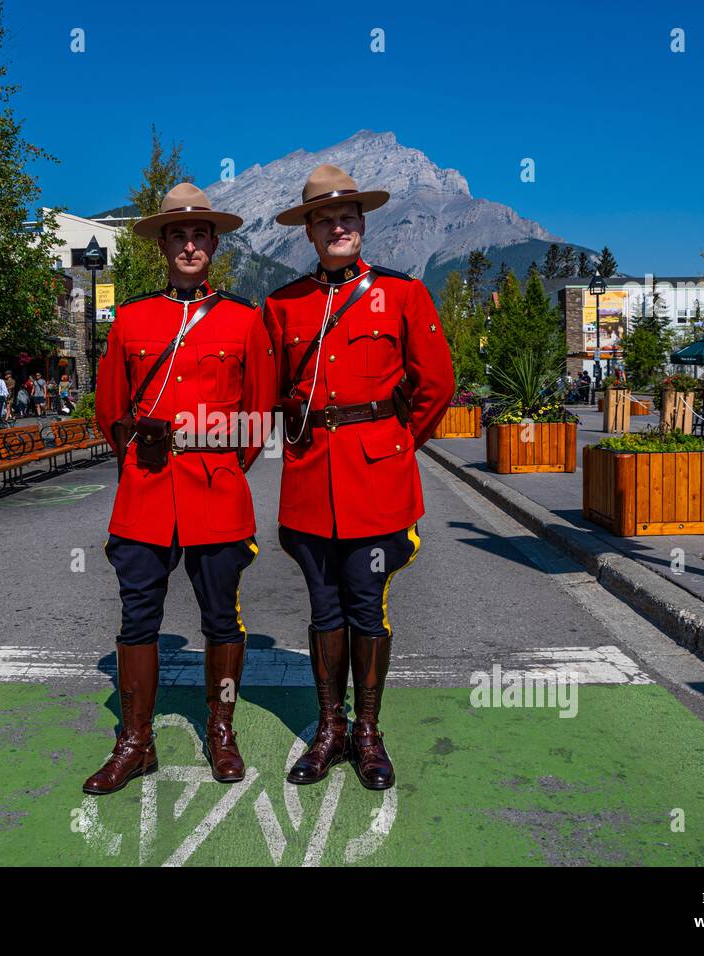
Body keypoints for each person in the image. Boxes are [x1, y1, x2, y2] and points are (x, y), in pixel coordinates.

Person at [264, 164, 454, 791]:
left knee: (366, 608)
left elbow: (436, 384)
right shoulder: (283, 304)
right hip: (312, 478)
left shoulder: (402, 294)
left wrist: (398, 443)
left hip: (376, 480)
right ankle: (329, 729)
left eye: (348, 217)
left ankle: (368, 734)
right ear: (310, 233)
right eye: (325, 219)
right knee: (324, 610)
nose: (338, 227)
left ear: (363, 225)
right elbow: (266, 396)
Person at [85, 183, 274, 795]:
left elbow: (257, 415)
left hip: (216, 489)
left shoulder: (245, 320)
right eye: (178, 235)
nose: (189, 245)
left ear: (214, 242)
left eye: (200, 235)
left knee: (221, 618)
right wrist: (146, 455)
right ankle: (136, 742)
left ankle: (221, 730)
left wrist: (216, 460)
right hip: (145, 488)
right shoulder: (134, 319)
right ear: (162, 244)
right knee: (137, 616)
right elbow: (110, 410)